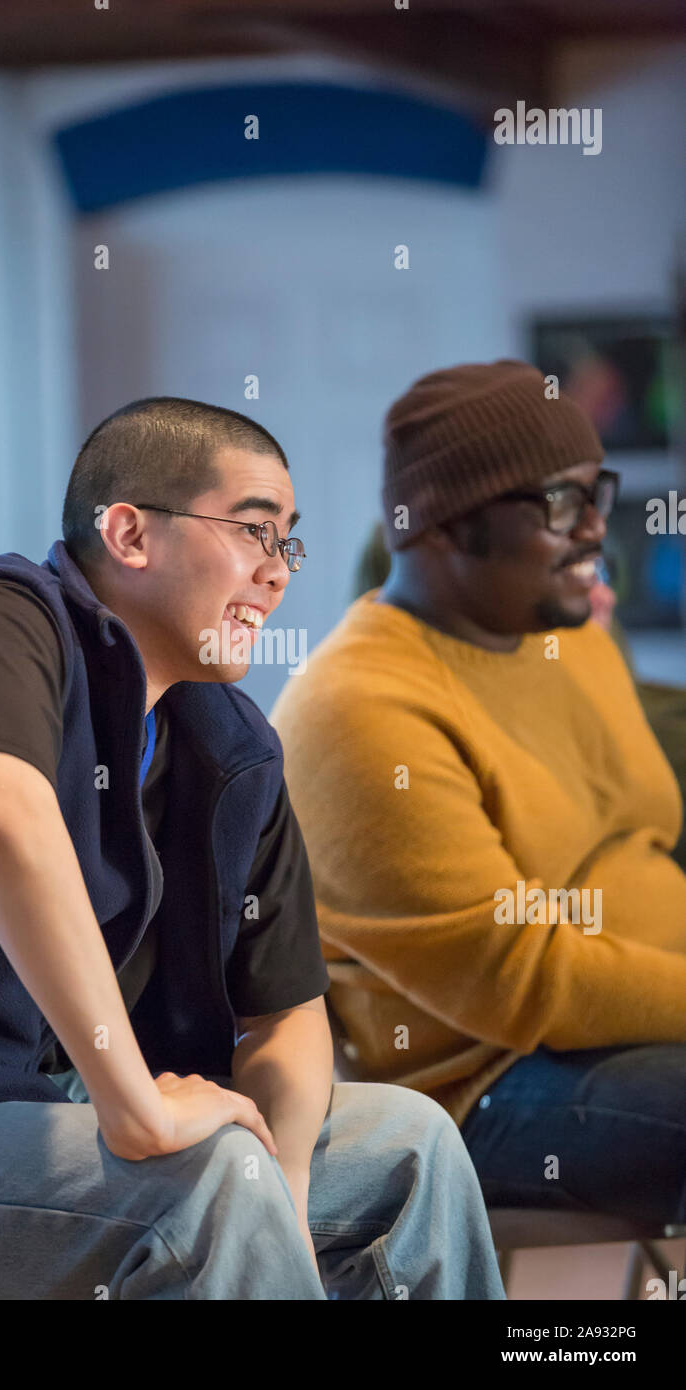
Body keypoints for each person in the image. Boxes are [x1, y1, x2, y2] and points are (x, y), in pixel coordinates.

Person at [0, 397, 504, 1300]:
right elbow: (3, 819)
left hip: (18, 1119)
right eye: (256, 531)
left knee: (410, 1146)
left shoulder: (229, 746)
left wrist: (286, 1191)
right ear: (131, 534)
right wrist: (134, 1106)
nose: (278, 573)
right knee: (209, 1176)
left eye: (289, 545)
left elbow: (287, 1014)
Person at [270, 362, 686, 1227]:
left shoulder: (564, 638)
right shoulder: (357, 707)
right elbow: (521, 979)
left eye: (596, 494)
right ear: (448, 528)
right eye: (563, 505)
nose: (598, 531)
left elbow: (646, 841)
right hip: (492, 1083)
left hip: (632, 1024)